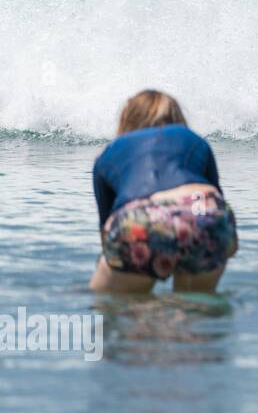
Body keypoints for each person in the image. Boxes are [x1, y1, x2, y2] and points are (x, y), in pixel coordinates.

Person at [90, 90, 238, 293]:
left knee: (109, 302)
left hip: (142, 219)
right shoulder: (194, 139)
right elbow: (217, 200)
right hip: (201, 211)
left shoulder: (109, 152)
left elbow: (106, 236)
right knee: (196, 307)